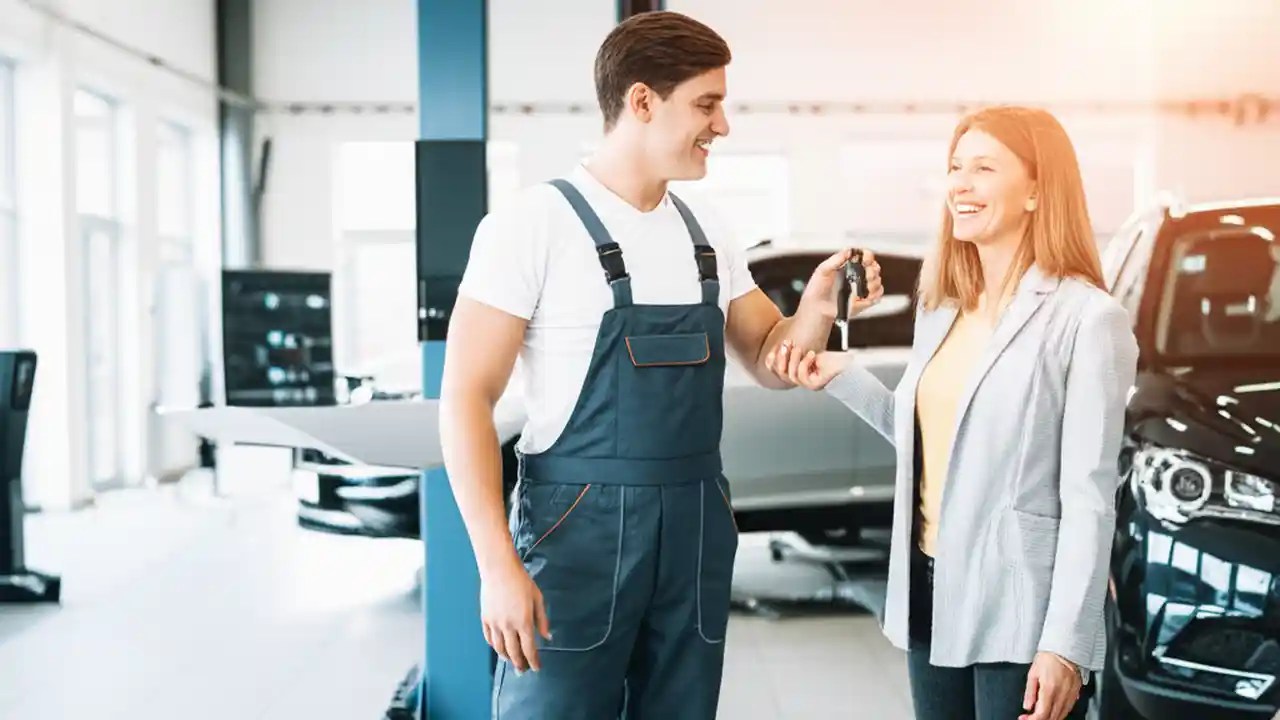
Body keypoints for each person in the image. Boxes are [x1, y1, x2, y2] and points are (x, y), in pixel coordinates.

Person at [439, 11, 882, 720]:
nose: (723, 125)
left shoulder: (708, 230)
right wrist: (496, 566)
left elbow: (774, 358)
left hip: (694, 525)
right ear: (642, 101)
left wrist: (821, 301)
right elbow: (464, 395)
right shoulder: (531, 225)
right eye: (707, 104)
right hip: (575, 530)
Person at [768, 106, 1139, 720]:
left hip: (1022, 607)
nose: (959, 185)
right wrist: (845, 379)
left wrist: (1065, 647)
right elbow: (938, 447)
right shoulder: (941, 310)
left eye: (984, 168)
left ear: (1037, 191)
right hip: (930, 587)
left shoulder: (1086, 319)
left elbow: (1090, 498)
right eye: (954, 167)